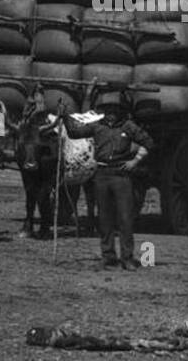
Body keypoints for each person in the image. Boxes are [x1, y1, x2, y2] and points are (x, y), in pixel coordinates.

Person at [55, 90, 153, 271]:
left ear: (121, 111)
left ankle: (127, 258)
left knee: (125, 218)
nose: (111, 113)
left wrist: (135, 161)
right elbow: (75, 133)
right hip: (101, 175)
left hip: (121, 176)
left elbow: (148, 143)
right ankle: (108, 256)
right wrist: (65, 117)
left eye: (115, 110)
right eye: (107, 110)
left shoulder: (129, 127)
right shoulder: (97, 126)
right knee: (104, 218)